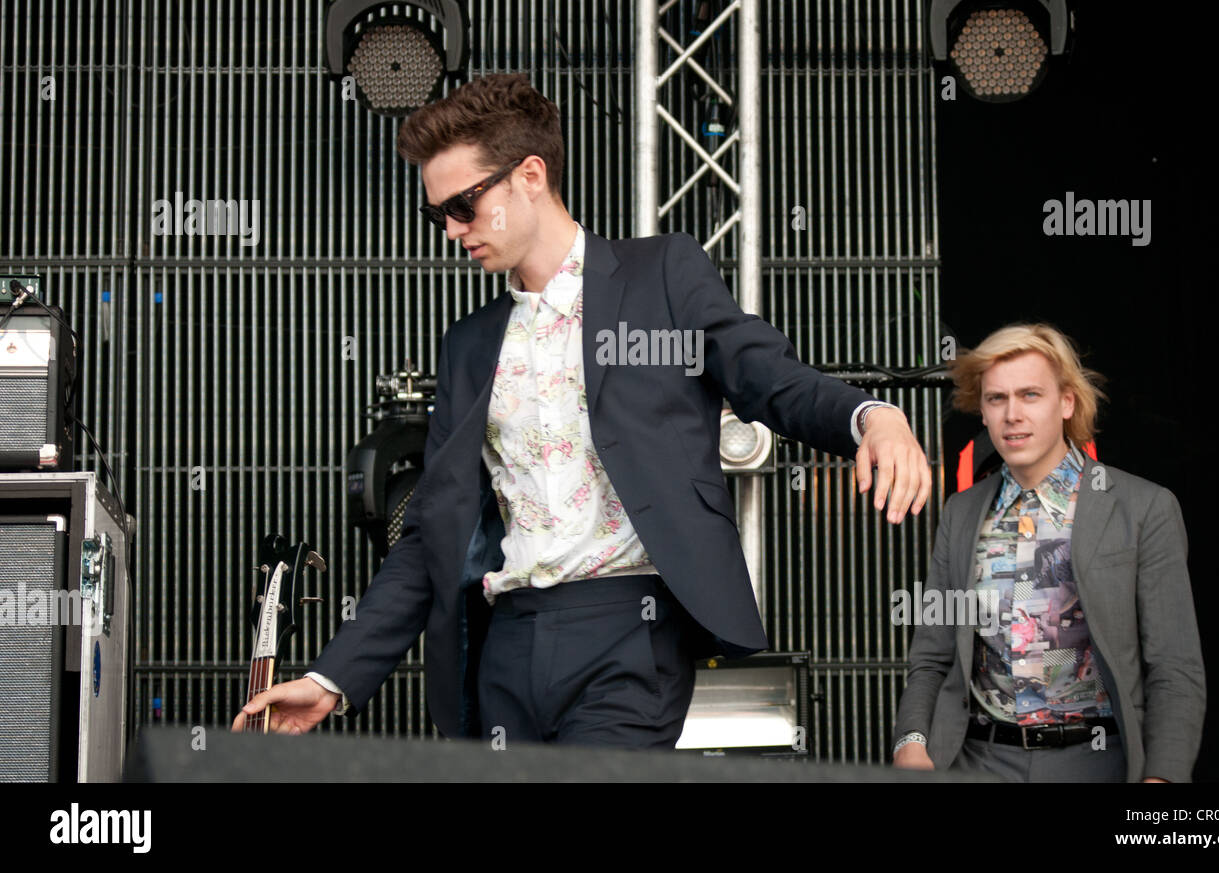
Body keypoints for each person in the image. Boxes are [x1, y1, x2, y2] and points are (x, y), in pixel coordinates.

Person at [232, 73, 931, 749]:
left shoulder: (661, 276)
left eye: (464, 205)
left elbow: (768, 378)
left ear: (530, 175)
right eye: (436, 212)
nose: (450, 229)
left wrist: (872, 416)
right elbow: (429, 535)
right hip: (507, 643)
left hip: (630, 632)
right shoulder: (469, 346)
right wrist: (332, 678)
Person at [891, 323, 1205, 781]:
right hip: (977, 761)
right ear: (982, 410)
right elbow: (932, 657)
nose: (1012, 414)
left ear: (1067, 402)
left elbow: (1174, 668)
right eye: (997, 398)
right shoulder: (961, 513)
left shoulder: (1143, 508)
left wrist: (1163, 777)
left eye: (1030, 395)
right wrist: (911, 742)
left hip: (1097, 762)